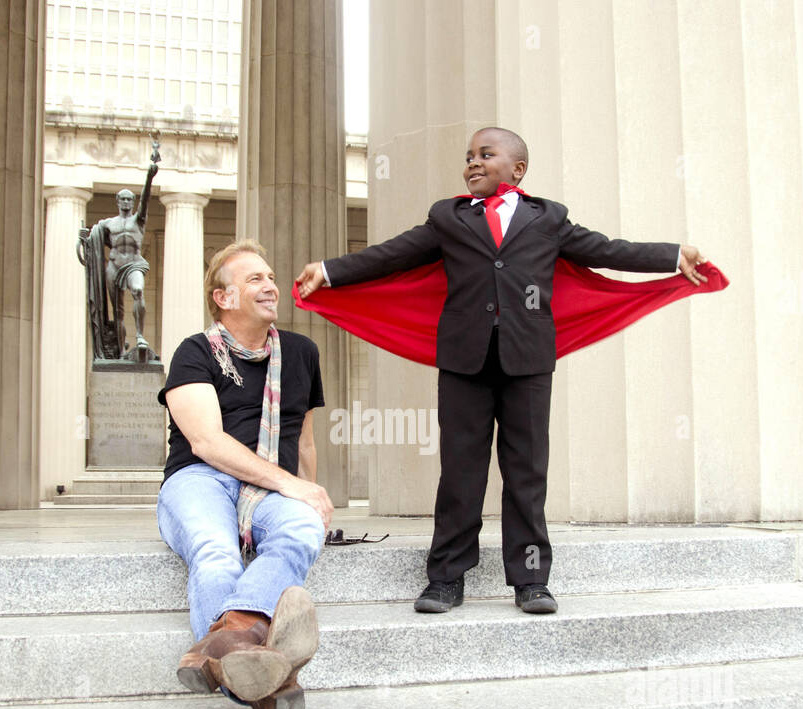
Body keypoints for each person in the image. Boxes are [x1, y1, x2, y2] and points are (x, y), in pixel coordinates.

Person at [297, 127, 709, 615]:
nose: (473, 162)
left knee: (527, 473)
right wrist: (330, 270)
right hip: (463, 364)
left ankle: (531, 581)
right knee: (460, 474)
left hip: (528, 363)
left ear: (517, 169)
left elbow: (606, 249)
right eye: (469, 156)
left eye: (485, 154)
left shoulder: (548, 218)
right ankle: (446, 579)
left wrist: (669, 255)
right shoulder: (447, 217)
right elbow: (393, 254)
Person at [157, 240, 333, 709]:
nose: (272, 285)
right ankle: (269, 680)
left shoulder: (301, 353)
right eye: (254, 279)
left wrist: (310, 495)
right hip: (200, 479)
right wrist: (291, 485)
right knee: (216, 551)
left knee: (300, 530)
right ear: (223, 298)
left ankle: (223, 646)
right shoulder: (194, 352)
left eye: (272, 276)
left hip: (270, 492)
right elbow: (208, 442)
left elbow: (304, 441)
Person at [79, 159, 158, 359]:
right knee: (118, 312)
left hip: (133, 264)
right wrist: (84, 239)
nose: (126, 202)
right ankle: (121, 351)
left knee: (138, 290)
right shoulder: (107, 224)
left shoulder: (138, 220)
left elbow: (146, 198)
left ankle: (140, 335)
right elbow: (93, 243)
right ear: (117, 201)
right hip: (114, 265)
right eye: (122, 199)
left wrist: (150, 175)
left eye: (129, 199)